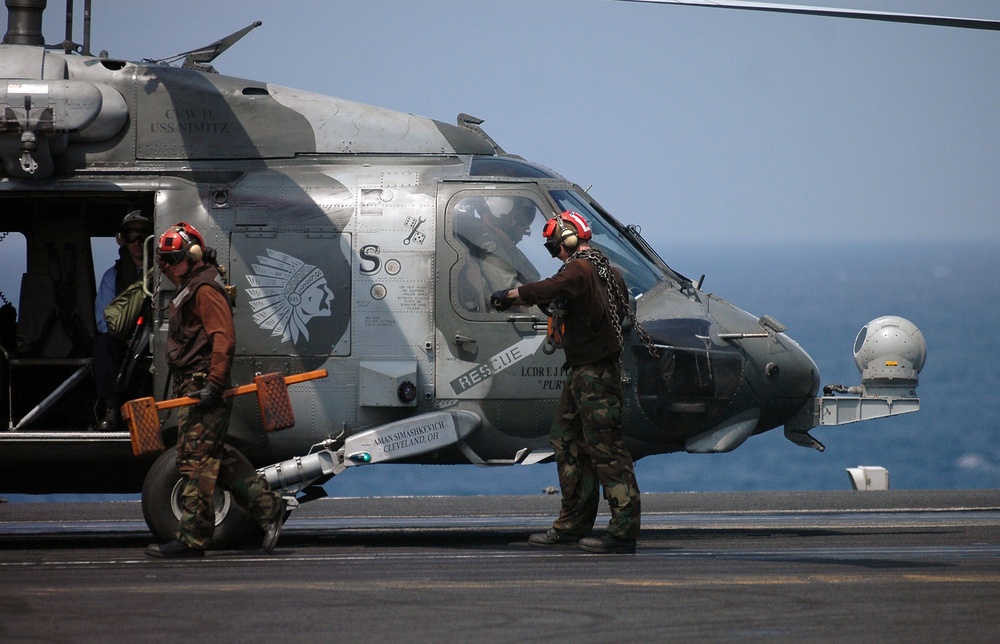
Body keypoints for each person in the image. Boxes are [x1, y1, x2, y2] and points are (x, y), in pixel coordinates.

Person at [491, 210, 641, 554]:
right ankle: (573, 522)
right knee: (567, 439)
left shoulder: (581, 268)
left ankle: (623, 531)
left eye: (555, 246)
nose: (555, 253)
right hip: (581, 371)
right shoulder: (605, 271)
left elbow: (555, 286)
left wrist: (513, 294)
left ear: (571, 239)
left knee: (606, 449)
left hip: (595, 374)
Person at [145, 222, 285, 558]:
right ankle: (269, 508)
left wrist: (213, 383)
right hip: (195, 383)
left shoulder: (205, 289)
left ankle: (193, 539)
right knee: (214, 457)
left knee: (196, 461)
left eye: (172, 258)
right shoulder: (192, 285)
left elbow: (223, 338)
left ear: (191, 256)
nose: (166, 266)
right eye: (162, 260)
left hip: (204, 384)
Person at [93, 210, 153, 431]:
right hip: (122, 340)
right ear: (123, 239)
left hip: (152, 339)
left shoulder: (164, 273)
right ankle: (112, 410)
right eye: (131, 236)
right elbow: (103, 321)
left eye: (143, 236)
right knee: (104, 345)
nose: (137, 243)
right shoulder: (113, 276)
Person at [453, 196, 541, 311]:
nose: (527, 229)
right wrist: (546, 308)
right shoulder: (487, 240)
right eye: (523, 221)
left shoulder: (503, 243)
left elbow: (530, 277)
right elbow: (508, 289)